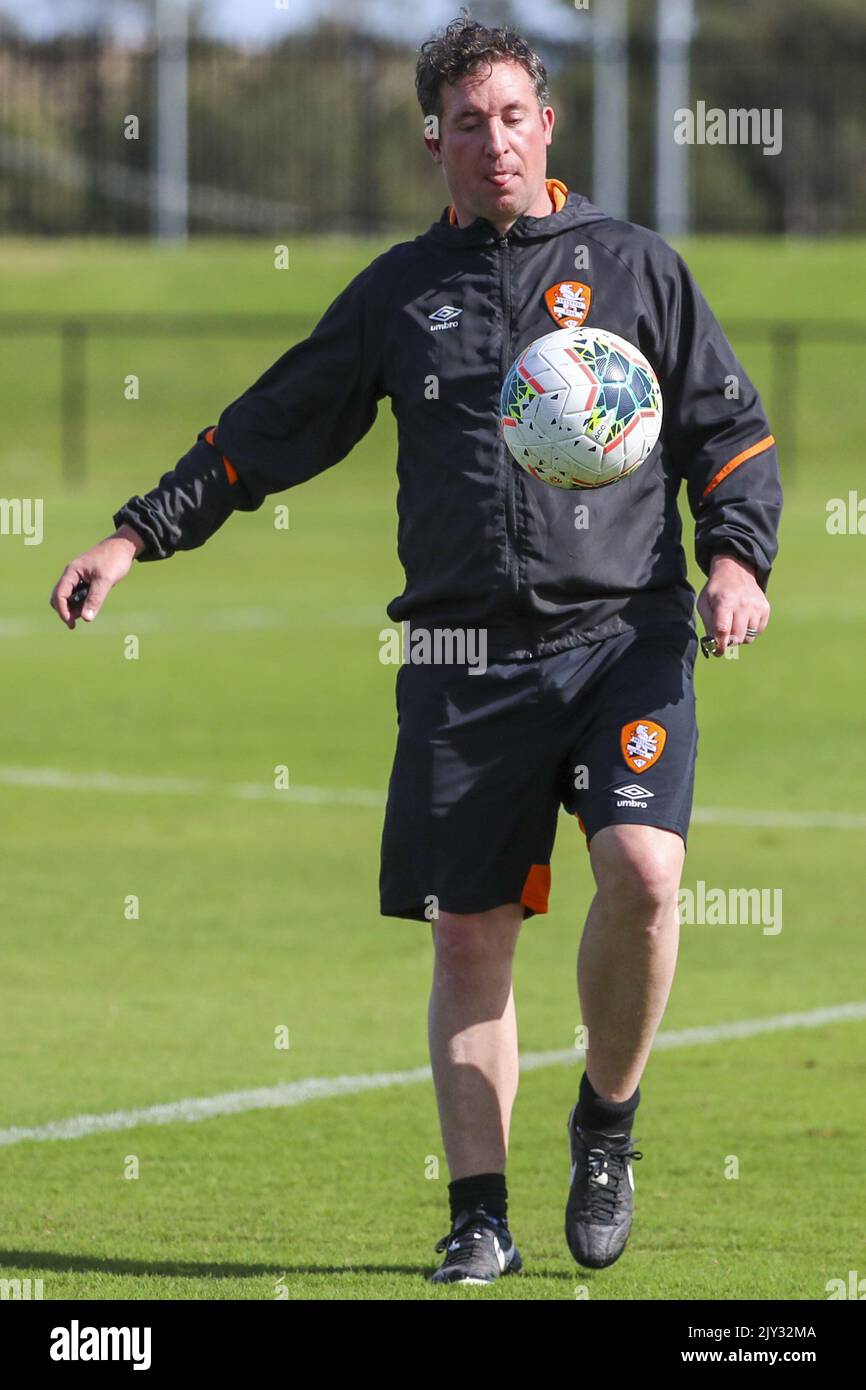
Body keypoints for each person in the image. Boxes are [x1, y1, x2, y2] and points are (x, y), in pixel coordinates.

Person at [50, 15, 782, 1287]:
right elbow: (272, 425)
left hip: (624, 635)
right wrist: (136, 533)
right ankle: (479, 1215)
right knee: (468, 939)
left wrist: (733, 558)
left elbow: (727, 429)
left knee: (646, 871)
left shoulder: (632, 267)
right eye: (465, 123)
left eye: (512, 116)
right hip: (461, 658)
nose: (491, 142)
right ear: (430, 140)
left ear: (544, 123)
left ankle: (604, 1125)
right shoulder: (400, 292)